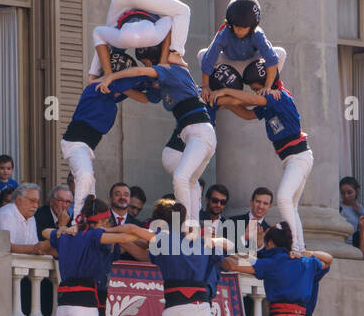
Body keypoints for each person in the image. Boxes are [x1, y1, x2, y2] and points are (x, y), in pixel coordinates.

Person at [98, 51, 216, 224]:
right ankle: (193, 227)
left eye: (146, 62)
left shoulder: (171, 70)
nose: (147, 66)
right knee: (190, 182)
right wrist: (121, 86)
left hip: (199, 133)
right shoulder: (166, 81)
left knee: (181, 178)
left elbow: (140, 72)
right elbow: (146, 98)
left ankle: (184, 225)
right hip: (196, 134)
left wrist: (110, 76)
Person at [211, 60, 313, 250]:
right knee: (291, 205)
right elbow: (248, 114)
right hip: (294, 159)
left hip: (299, 157)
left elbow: (248, 100)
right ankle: (300, 246)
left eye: (257, 88)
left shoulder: (278, 96)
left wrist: (224, 92)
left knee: (283, 198)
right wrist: (221, 102)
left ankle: (297, 248)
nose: (255, 92)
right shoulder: (268, 102)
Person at [61, 55, 163, 221]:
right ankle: (77, 222)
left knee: (90, 193)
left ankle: (89, 221)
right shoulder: (96, 86)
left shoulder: (115, 92)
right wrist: (154, 70)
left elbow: (152, 98)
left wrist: (154, 80)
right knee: (85, 177)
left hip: (87, 147)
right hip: (75, 143)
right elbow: (128, 81)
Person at [199, 0, 279, 102]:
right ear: (231, 24)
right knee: (203, 54)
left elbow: (271, 59)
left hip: (252, 61)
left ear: (252, 26)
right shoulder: (225, 34)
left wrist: (268, 87)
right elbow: (209, 58)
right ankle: (211, 87)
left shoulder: (257, 34)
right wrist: (205, 86)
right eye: (236, 26)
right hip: (229, 61)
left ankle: (274, 87)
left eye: (243, 28)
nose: (238, 31)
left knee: (279, 53)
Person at [0, 183, 52, 255]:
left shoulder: (31, 218)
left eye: (37, 202)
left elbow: (34, 245)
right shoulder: (6, 215)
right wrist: (34, 248)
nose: (36, 206)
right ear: (18, 200)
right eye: (32, 201)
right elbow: (6, 246)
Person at [229, 186, 275, 256]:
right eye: (258, 201)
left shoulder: (270, 232)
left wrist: (260, 246)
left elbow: (268, 260)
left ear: (269, 207)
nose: (261, 206)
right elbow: (223, 251)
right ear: (251, 202)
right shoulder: (232, 222)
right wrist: (244, 238)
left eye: (265, 203)